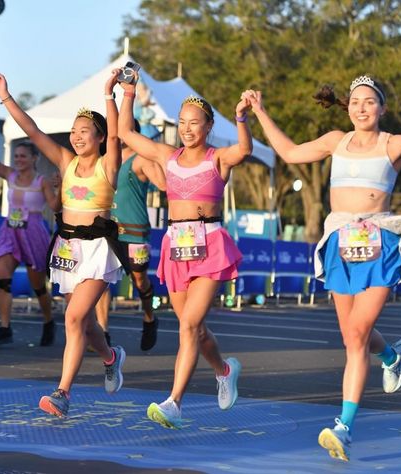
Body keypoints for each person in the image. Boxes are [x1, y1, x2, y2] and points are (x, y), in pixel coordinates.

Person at [244, 75, 401, 461]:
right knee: (353, 338)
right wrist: (259, 113)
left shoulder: (394, 144)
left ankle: (344, 427)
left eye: (369, 102)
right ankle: (391, 357)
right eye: (355, 101)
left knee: (357, 331)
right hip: (340, 244)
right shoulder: (336, 141)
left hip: (380, 243)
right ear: (347, 106)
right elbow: (289, 153)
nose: (361, 107)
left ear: (382, 108)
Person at [119, 72, 253, 429]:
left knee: (190, 325)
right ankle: (224, 370)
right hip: (176, 246)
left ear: (208, 126)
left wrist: (241, 118)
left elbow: (245, 150)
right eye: (182, 123)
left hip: (209, 244)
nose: (187, 129)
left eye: (194, 123)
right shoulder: (166, 155)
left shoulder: (218, 158)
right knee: (193, 329)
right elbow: (125, 134)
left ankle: (174, 403)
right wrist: (128, 93)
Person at [0, 70, 126, 418]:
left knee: (76, 317)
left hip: (98, 249)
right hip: (67, 249)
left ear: (99, 137)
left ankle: (62, 392)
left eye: (85, 131)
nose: (77, 136)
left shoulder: (108, 165)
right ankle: (111, 358)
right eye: (74, 131)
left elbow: (116, 139)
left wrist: (112, 95)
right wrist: (5, 96)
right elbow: (32, 131)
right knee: (85, 324)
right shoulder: (65, 161)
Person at [0, 133, 60, 346]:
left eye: (23, 156)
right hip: (10, 230)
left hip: (33, 231)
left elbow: (55, 206)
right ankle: (4, 327)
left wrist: (60, 188)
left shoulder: (41, 181)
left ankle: (48, 321)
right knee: (2, 277)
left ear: (34, 158)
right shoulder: (9, 175)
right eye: (16, 156)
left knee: (38, 286)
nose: (18, 160)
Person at [95, 119, 166, 351]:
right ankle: (103, 330)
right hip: (108, 230)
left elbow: (165, 185)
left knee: (139, 280)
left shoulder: (140, 159)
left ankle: (149, 318)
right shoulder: (103, 161)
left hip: (134, 230)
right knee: (102, 280)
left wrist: (162, 158)